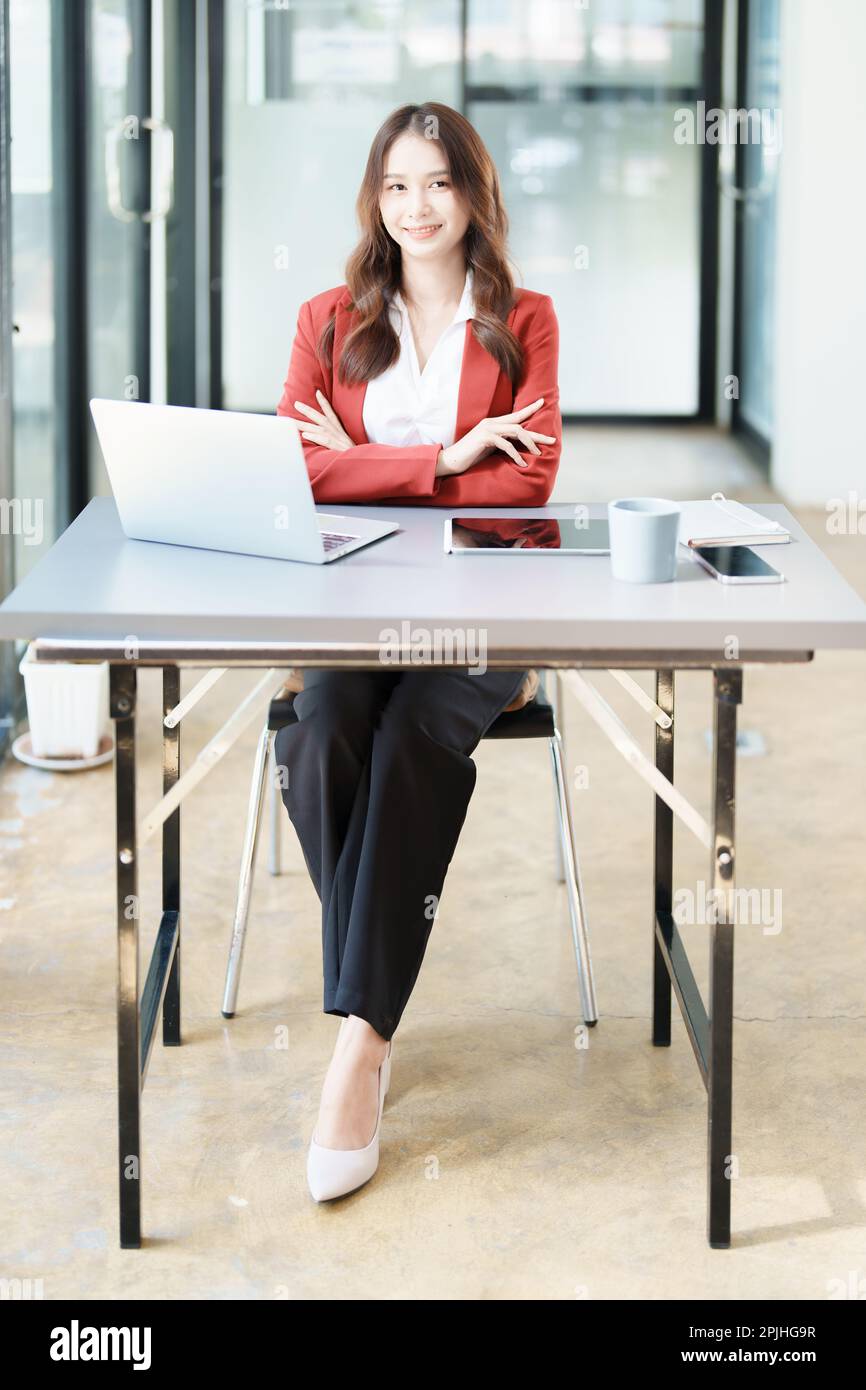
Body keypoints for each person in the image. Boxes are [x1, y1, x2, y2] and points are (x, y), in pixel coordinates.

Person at [274, 101, 561, 1201]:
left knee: (410, 735)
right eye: (396, 185)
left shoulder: (521, 319)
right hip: (349, 600)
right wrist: (445, 454)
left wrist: (371, 457)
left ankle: (356, 1045)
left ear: (471, 192)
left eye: (437, 181)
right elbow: (297, 471)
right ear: (374, 198)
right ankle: (376, 1009)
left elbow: (523, 483)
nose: (417, 206)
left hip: (485, 599)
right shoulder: (324, 319)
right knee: (322, 735)